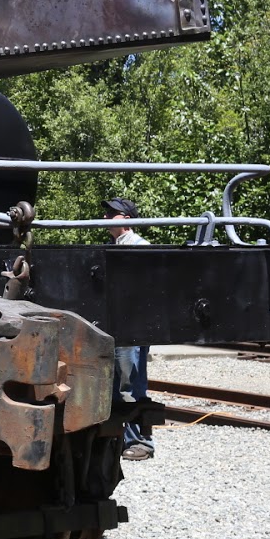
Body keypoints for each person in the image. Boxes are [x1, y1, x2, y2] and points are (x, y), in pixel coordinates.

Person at [105, 197, 154, 460]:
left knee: (131, 381)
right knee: (115, 383)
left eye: (111, 214)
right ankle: (118, 439)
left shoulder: (140, 248)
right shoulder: (111, 247)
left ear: (125, 219)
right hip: (116, 325)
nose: (105, 218)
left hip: (132, 326)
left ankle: (140, 442)